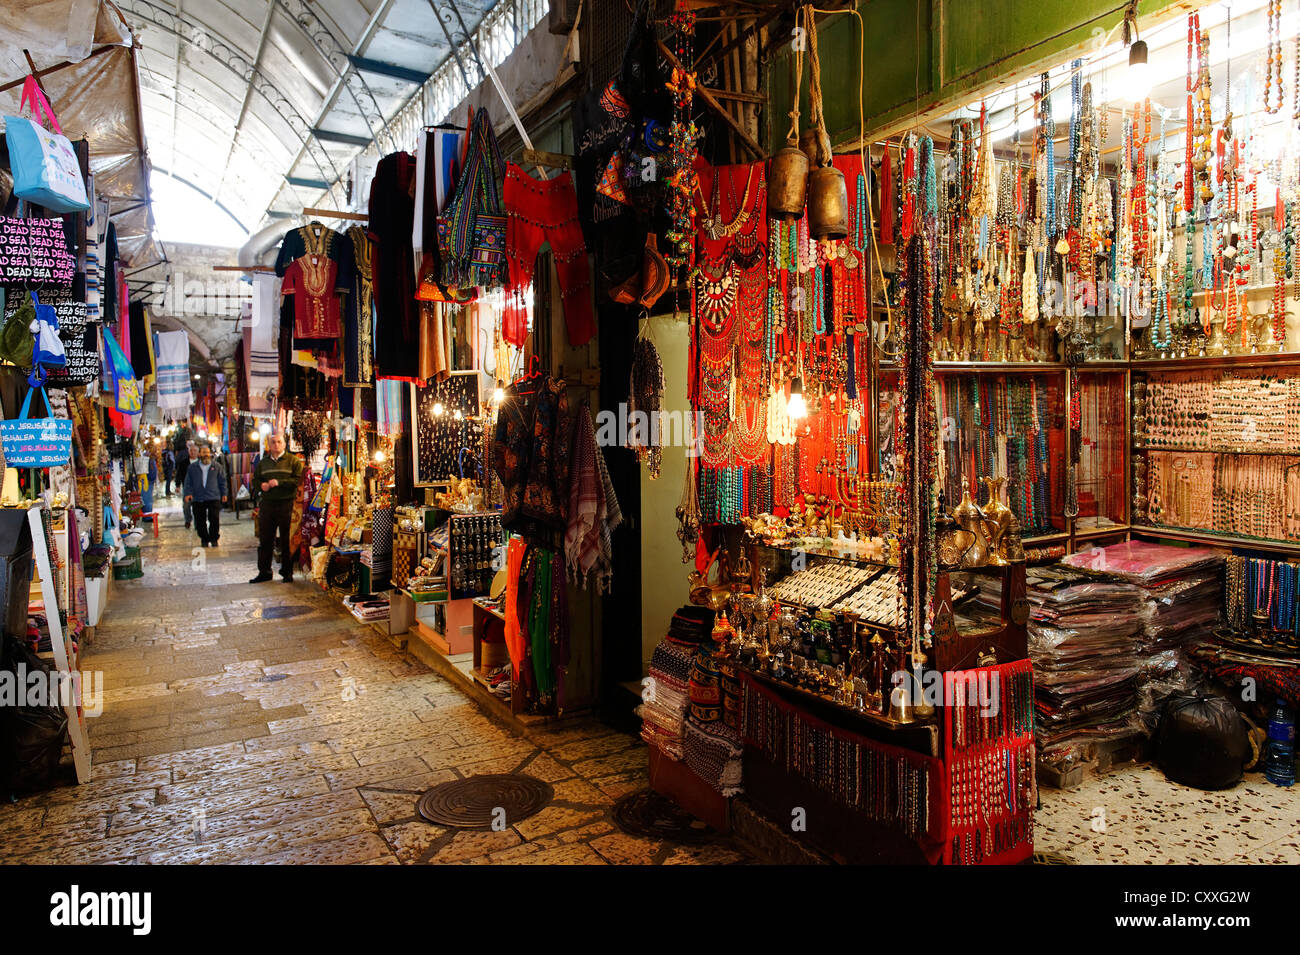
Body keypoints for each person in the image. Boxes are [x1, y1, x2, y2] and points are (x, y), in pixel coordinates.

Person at [250, 431, 304, 583]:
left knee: (287, 539)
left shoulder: (293, 461)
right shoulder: (263, 463)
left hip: (287, 504)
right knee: (265, 539)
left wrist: (279, 483)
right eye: (273, 442)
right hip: (267, 504)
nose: (276, 445)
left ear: (285, 444)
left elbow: (298, 480)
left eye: (279, 442)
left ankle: (287, 572)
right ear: (269, 445)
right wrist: (261, 485)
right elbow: (255, 480)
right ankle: (264, 572)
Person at [183, 443, 227, 547]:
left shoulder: (217, 467)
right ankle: (204, 538)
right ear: (199, 454)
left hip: (214, 496)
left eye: (207, 452)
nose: (206, 454)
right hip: (198, 497)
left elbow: (222, 481)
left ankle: (214, 538)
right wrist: (188, 493)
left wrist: (224, 493)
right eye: (204, 452)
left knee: (214, 519)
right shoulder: (192, 468)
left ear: (210, 454)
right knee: (199, 520)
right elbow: (188, 482)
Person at [174, 440, 191, 528]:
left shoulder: (200, 462)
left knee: (198, 506)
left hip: (199, 488)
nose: (193, 452)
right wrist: (178, 485)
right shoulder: (184, 462)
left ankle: (198, 522)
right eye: (191, 451)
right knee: (186, 505)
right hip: (187, 486)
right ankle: (188, 520)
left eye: (195, 451)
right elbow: (179, 473)